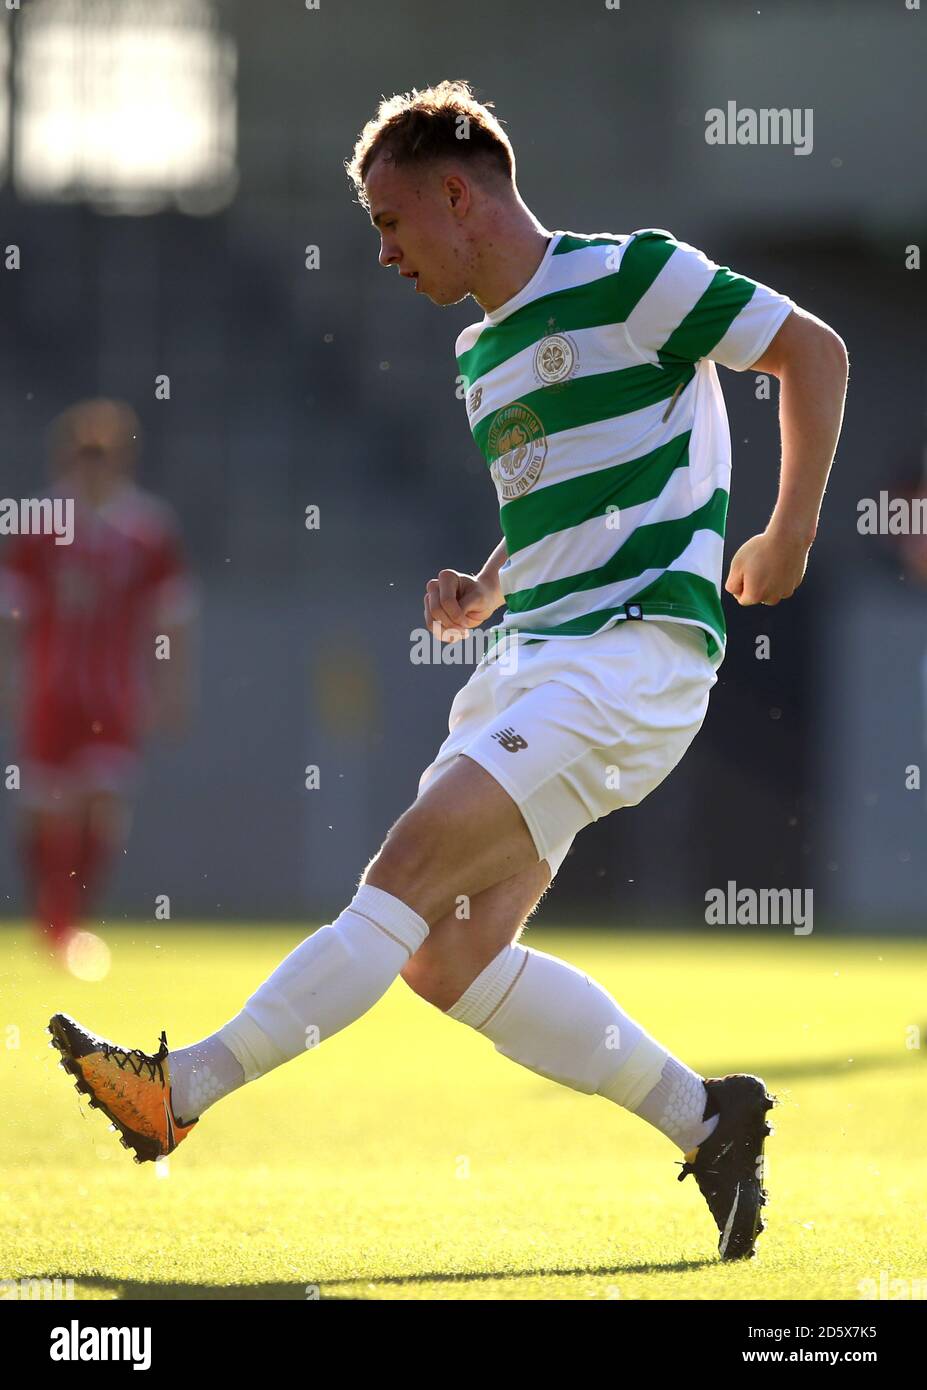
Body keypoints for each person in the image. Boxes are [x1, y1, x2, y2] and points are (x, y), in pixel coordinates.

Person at [49, 83, 848, 1261]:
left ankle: (181, 1091)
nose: (384, 253)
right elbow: (560, 507)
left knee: (407, 866)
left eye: (392, 222)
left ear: (460, 196)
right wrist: (489, 585)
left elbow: (813, 352)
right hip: (536, 664)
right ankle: (707, 1118)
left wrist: (789, 531)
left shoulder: (633, 274)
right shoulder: (481, 354)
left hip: (632, 655)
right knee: (446, 957)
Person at [1, 399, 195, 971]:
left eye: (103, 458)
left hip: (113, 694)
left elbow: (173, 617)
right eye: (82, 458)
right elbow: (12, 610)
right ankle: (50, 917)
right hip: (49, 689)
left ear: (120, 462)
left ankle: (72, 925)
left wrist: (172, 686)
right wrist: (9, 675)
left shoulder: (148, 530)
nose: (92, 471)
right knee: (45, 809)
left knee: (103, 803)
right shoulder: (37, 524)